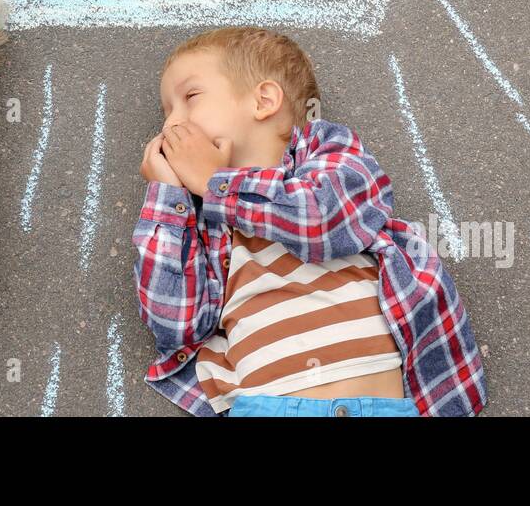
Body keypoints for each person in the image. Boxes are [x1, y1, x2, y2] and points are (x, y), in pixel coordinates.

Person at [133, 26, 486, 416]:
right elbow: (175, 325)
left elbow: (325, 223)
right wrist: (168, 199)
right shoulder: (199, 223)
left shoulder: (327, 154)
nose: (169, 125)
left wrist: (217, 185)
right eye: (167, 112)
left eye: (190, 98)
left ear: (264, 100)